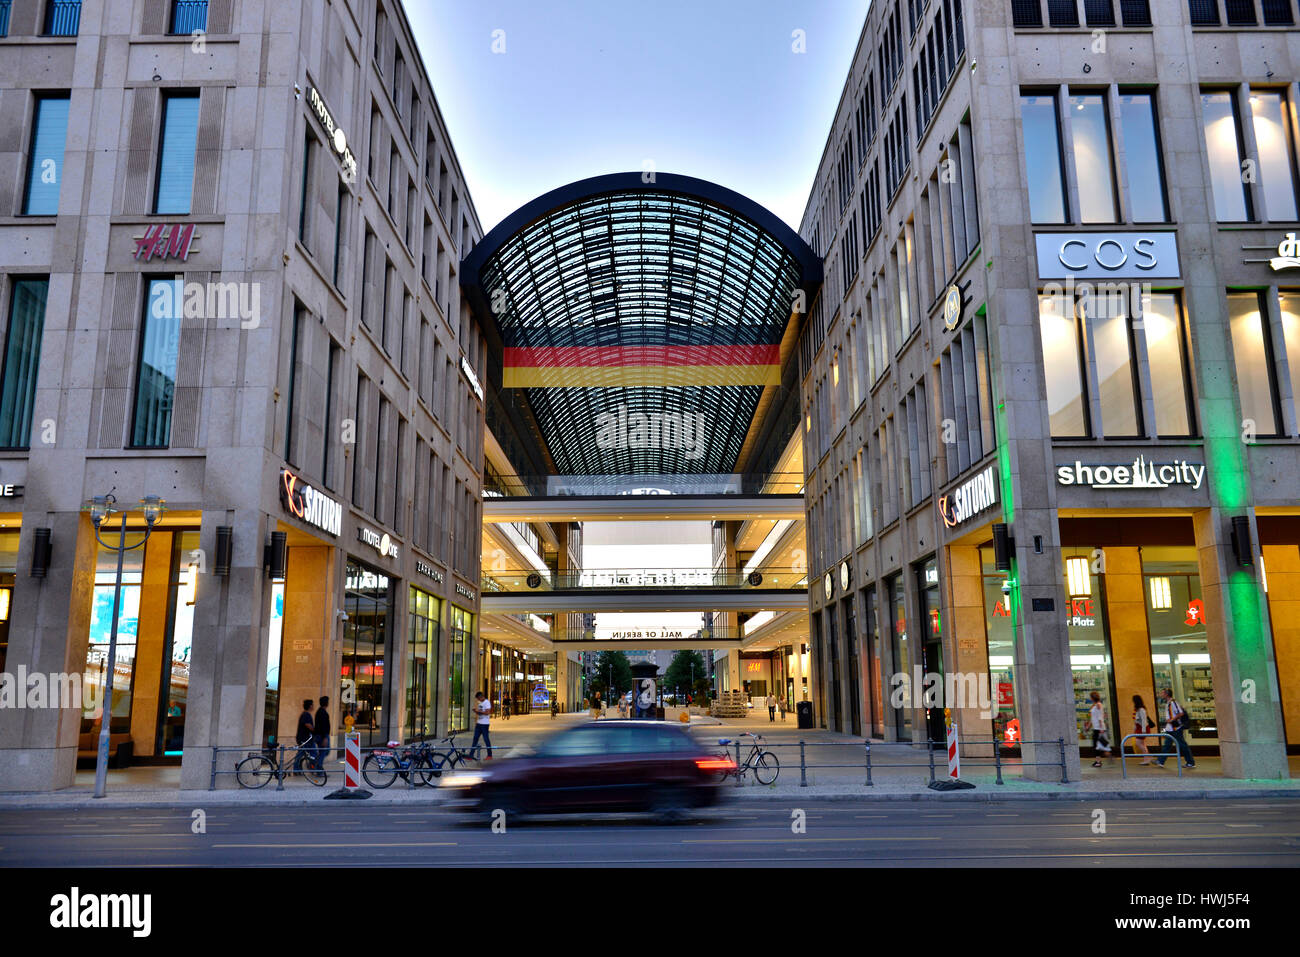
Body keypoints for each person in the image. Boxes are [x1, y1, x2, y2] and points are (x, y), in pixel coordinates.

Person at [1155, 687, 1196, 768]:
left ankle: (1190, 762)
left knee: (1182, 745)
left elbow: (1180, 713)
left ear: (1166, 694)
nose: (1161, 694)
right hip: (1171, 728)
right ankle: (1161, 761)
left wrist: (1171, 720)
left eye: (1162, 693)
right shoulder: (1168, 703)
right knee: (1167, 745)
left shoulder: (1173, 703)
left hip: (1176, 728)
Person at [1084, 691, 1113, 767]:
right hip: (1097, 728)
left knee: (1097, 745)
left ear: (1093, 698)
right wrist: (1088, 727)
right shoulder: (1095, 705)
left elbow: (1100, 717)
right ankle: (1106, 756)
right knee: (1099, 745)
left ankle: (1099, 761)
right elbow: (1092, 718)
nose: (1090, 698)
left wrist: (1101, 729)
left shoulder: (1098, 705)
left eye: (1091, 697)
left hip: (1099, 729)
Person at [1132, 694, 1155, 766]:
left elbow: (1144, 721)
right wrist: (1134, 730)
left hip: (1142, 729)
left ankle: (1148, 757)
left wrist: (1143, 731)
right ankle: (1147, 759)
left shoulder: (1141, 709)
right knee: (1142, 744)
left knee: (1138, 743)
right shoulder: (1138, 709)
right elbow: (1137, 721)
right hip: (1140, 728)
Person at [470, 691, 494, 760]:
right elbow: (481, 713)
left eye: (478, 698)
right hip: (479, 723)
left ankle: (490, 755)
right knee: (475, 739)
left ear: (481, 697)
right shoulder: (480, 703)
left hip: (485, 724)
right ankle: (471, 755)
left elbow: (487, 712)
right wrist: (476, 711)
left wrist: (478, 711)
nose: (478, 700)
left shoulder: (487, 702)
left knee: (486, 739)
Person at [295, 699, 315, 770]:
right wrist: (315, 730)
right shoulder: (306, 715)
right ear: (310, 706)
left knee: (303, 754)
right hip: (304, 739)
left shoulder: (305, 714)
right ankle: (297, 769)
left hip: (306, 738)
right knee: (310, 753)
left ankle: (298, 769)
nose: (313, 706)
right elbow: (308, 725)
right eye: (312, 705)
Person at [314, 695, 331, 770]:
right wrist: (324, 738)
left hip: (321, 735)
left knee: (324, 752)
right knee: (324, 752)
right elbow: (323, 726)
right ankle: (318, 768)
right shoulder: (322, 712)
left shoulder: (320, 711)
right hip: (322, 735)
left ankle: (316, 764)